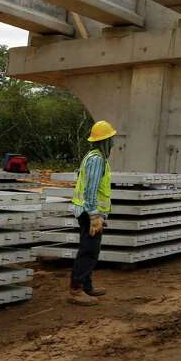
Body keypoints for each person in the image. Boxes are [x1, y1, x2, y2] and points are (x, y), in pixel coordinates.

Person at [68, 119, 115, 306]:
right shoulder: (96, 160)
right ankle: (75, 290)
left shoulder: (93, 157)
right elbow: (90, 189)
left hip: (89, 212)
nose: (113, 143)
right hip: (90, 214)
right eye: (111, 139)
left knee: (91, 250)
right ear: (104, 141)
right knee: (88, 252)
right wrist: (94, 215)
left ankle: (86, 286)